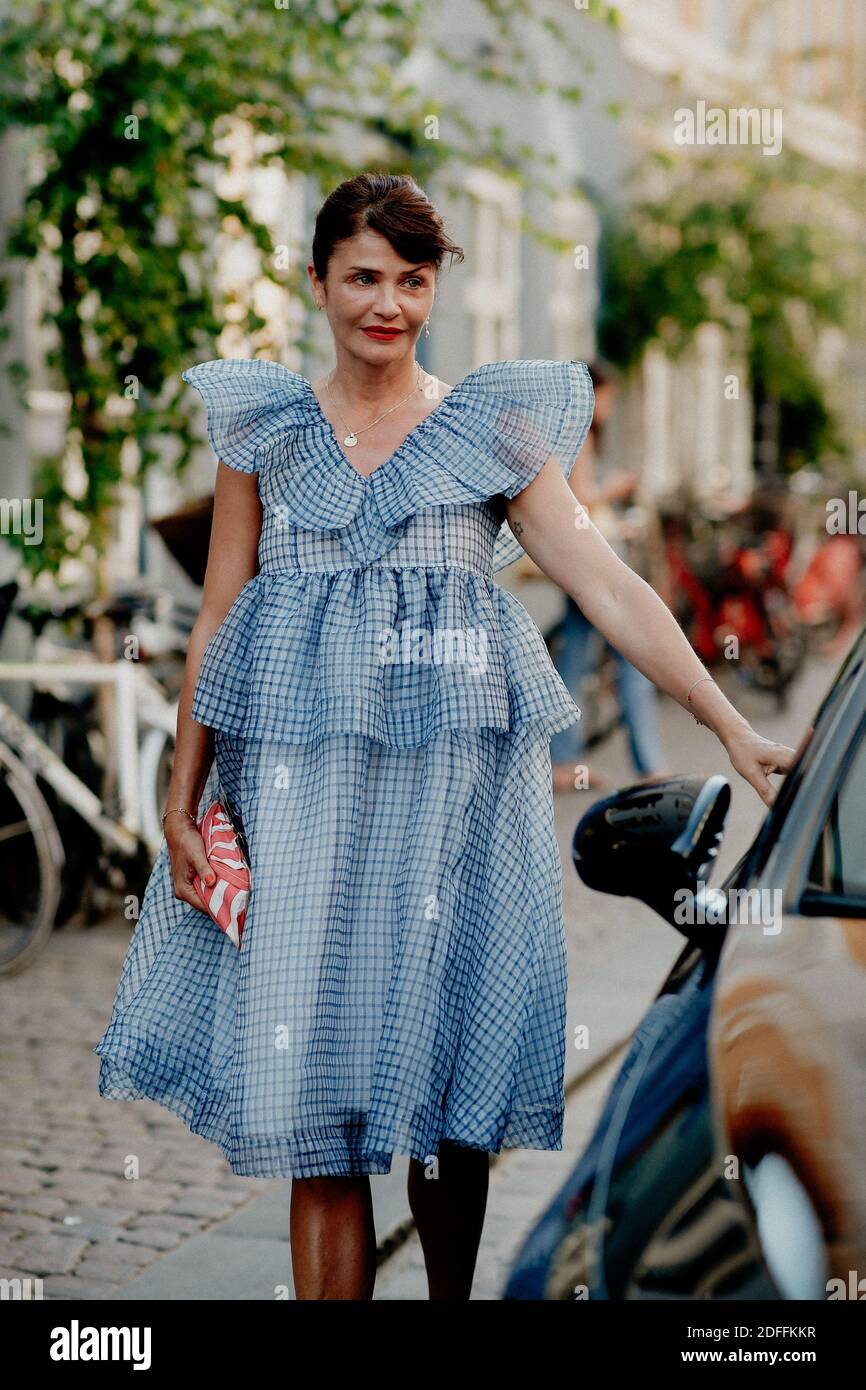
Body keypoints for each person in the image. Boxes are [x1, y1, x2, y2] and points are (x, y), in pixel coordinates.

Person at [94, 172, 796, 1301]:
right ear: (316, 279)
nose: (387, 303)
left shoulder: (491, 428)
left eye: (412, 281)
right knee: (314, 1103)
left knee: (444, 1101)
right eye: (363, 277)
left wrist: (727, 728)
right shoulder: (264, 432)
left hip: (453, 800)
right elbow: (218, 616)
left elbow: (608, 588)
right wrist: (182, 801)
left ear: (436, 288)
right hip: (296, 798)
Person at [549, 362, 668, 793]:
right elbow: (580, 499)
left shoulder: (574, 431)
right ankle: (649, 766)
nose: (611, 408)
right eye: (609, 398)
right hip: (594, 563)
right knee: (632, 657)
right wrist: (615, 489)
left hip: (581, 558)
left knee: (574, 661)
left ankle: (564, 762)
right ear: (591, 393)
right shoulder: (579, 432)